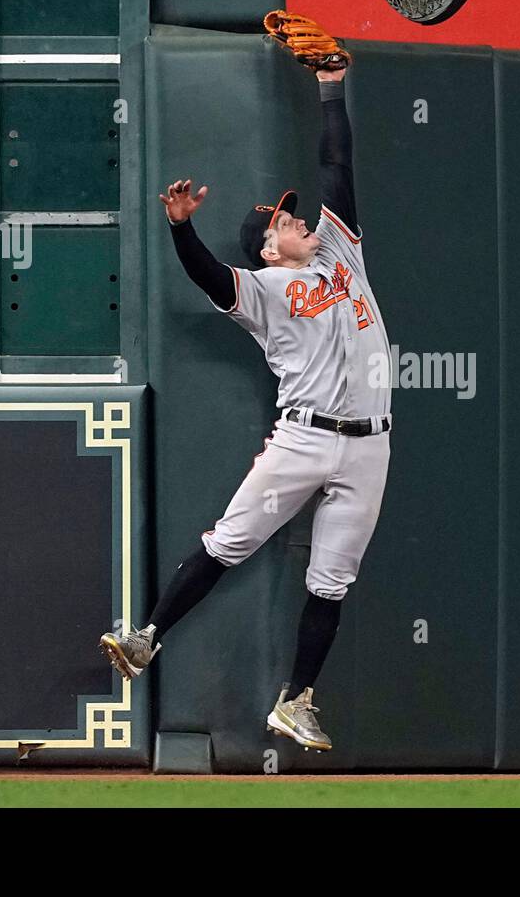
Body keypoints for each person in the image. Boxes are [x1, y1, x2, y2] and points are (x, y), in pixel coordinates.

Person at [100, 64, 391, 753]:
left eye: (295, 215)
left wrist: (331, 84)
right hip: (304, 439)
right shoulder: (261, 289)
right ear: (268, 248)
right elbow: (205, 274)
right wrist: (180, 231)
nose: (298, 221)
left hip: (371, 444)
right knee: (230, 542)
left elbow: (336, 159)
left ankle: (297, 702)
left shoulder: (343, 253)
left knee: (331, 582)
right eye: (286, 223)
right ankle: (146, 637)